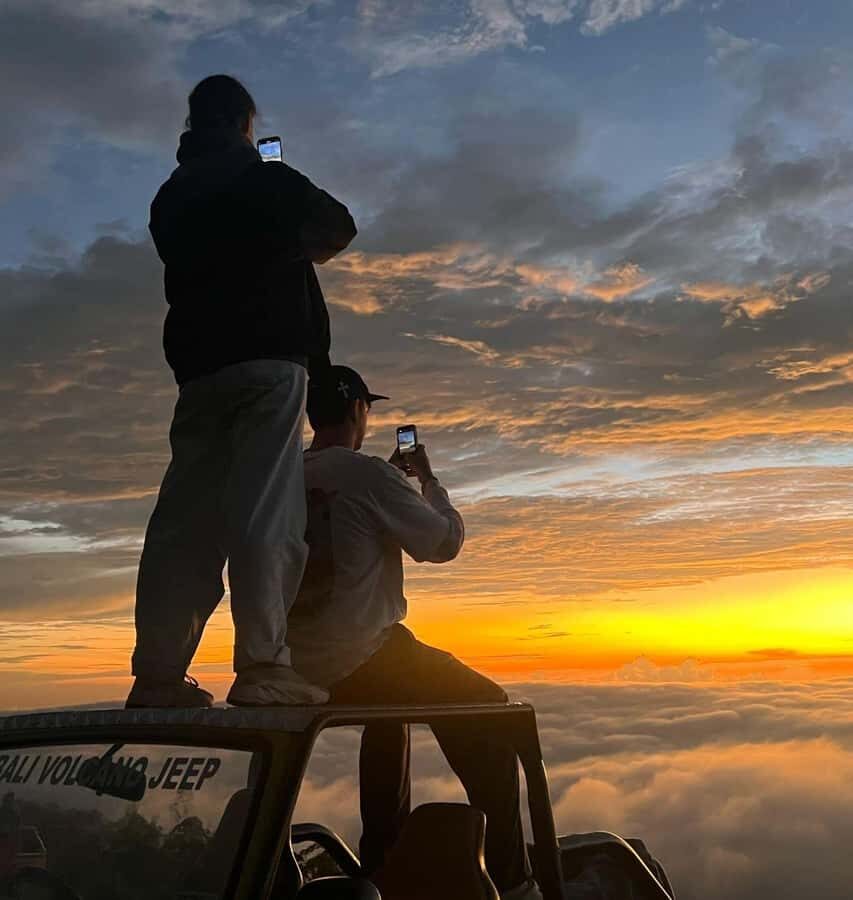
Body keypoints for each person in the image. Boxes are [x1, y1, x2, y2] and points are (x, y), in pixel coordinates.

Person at [127, 74, 356, 709]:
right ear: (245, 124)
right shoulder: (266, 179)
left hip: (199, 372)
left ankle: (158, 676)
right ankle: (263, 666)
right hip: (268, 365)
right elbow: (338, 228)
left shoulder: (170, 195)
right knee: (266, 515)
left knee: (185, 524)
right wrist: (278, 181)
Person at [286, 365, 539, 900]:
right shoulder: (370, 474)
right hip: (360, 656)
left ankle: (380, 863)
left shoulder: (284, 474)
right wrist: (428, 481)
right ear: (359, 411)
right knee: (490, 708)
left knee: (391, 711)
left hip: (289, 665)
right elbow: (442, 542)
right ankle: (515, 884)